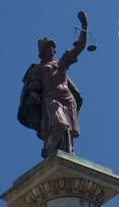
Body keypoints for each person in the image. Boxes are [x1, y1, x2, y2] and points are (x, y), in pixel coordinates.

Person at [20, 11, 88, 157]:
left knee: (67, 133)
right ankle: (49, 152)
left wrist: (84, 27)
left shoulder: (61, 63)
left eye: (52, 47)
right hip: (51, 99)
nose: (51, 49)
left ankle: (66, 157)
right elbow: (34, 86)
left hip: (67, 99)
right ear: (42, 51)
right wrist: (33, 96)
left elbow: (79, 48)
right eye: (48, 47)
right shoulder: (38, 68)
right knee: (59, 125)